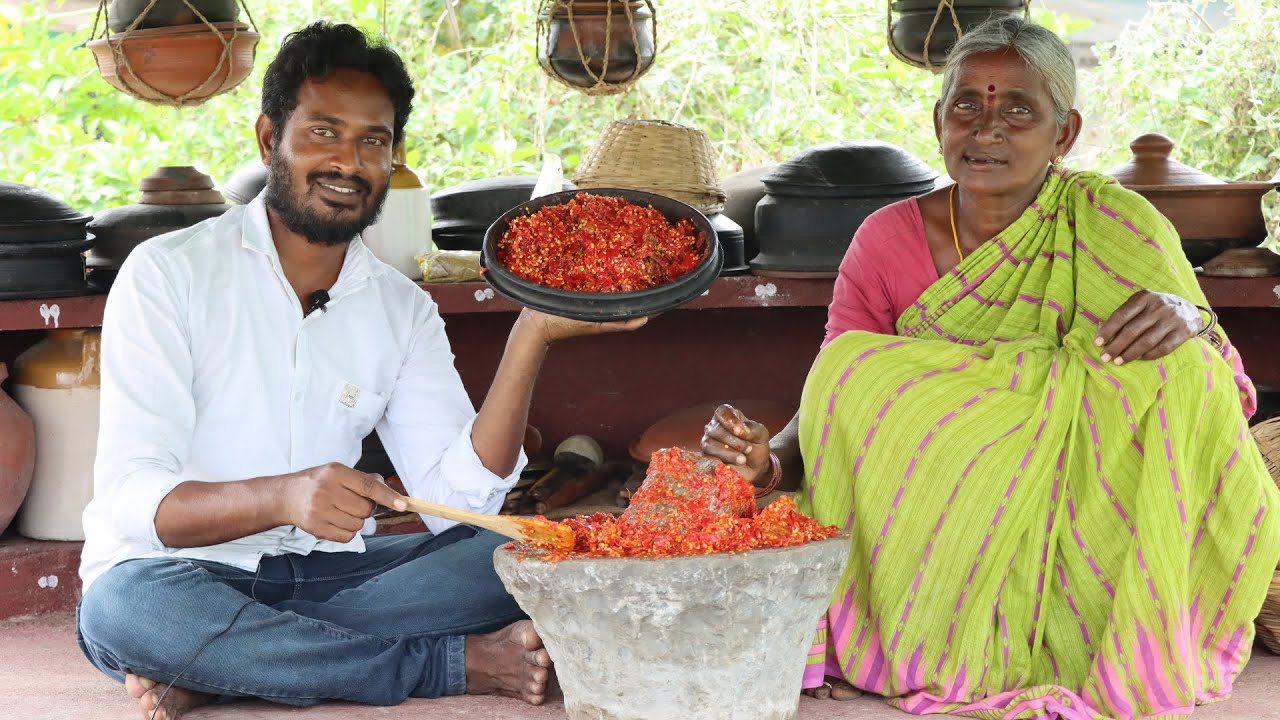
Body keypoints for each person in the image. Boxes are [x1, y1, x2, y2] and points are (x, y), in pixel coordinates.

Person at [702, 16, 1278, 718]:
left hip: (1079, 510)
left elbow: (1220, 385)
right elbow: (836, 397)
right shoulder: (886, 239)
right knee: (855, 365)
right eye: (967, 105)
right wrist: (766, 467)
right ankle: (933, 630)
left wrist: (1192, 318)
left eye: (1018, 109)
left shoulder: (1112, 222)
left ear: (1063, 134)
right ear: (938, 120)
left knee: (1178, 372)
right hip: (934, 520)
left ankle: (1096, 626)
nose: (987, 129)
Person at [75, 22, 643, 720]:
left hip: (337, 579)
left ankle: (233, 670)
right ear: (267, 139)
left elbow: (458, 499)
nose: (348, 160)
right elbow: (137, 501)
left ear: (392, 157)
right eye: (323, 132)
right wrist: (282, 496)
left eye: (372, 141)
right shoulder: (168, 274)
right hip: (180, 578)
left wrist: (532, 334)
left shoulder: (400, 309)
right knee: (126, 612)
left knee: (524, 557)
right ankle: (439, 663)